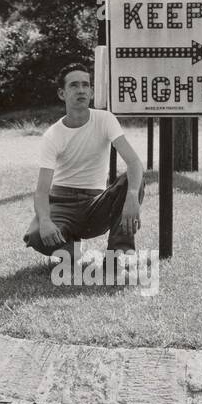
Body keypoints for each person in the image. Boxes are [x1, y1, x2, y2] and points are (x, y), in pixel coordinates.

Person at [22, 63, 145, 270]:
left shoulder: (105, 119)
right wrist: (45, 220)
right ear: (62, 93)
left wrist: (132, 195)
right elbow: (42, 191)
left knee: (133, 180)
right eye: (74, 85)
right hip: (62, 203)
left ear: (91, 91)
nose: (81, 90)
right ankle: (71, 249)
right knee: (35, 235)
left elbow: (134, 162)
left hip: (96, 204)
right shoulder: (53, 135)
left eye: (85, 85)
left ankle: (116, 257)